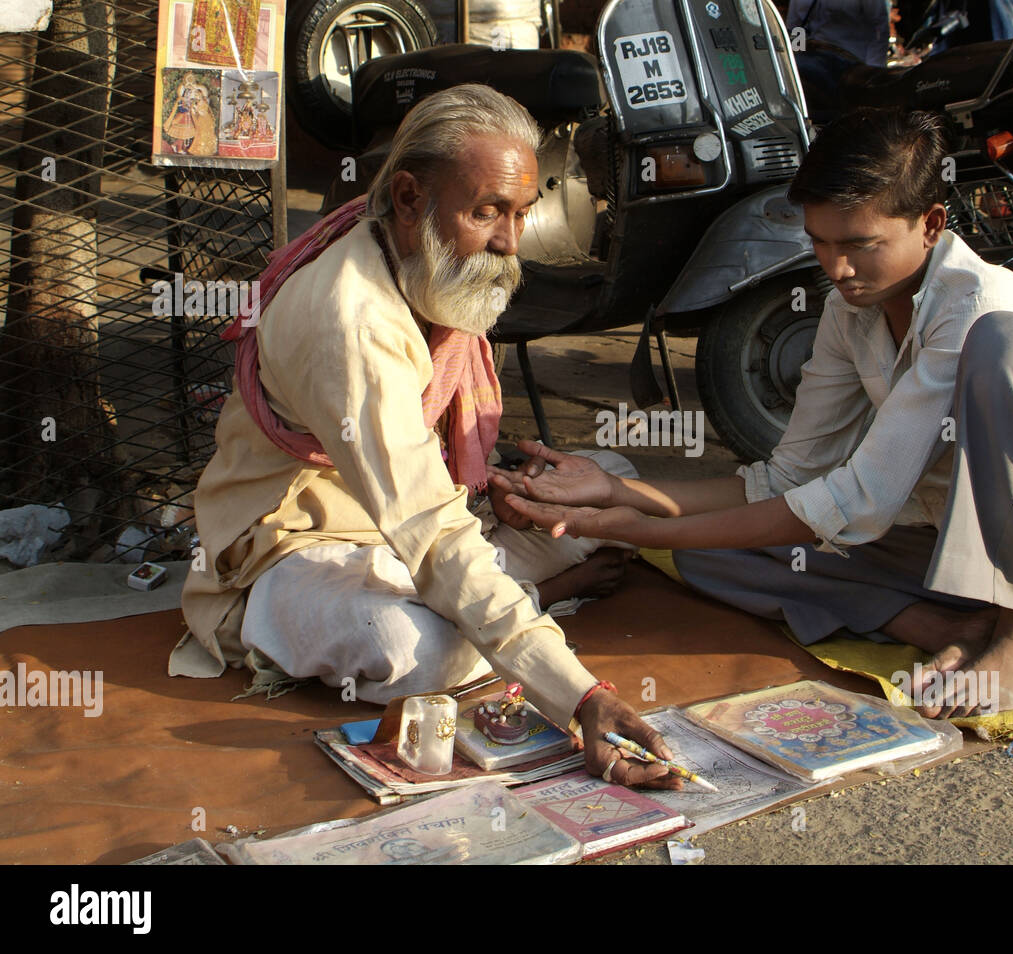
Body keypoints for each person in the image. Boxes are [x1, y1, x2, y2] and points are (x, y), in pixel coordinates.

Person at [497, 108, 1013, 719]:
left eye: (861, 243)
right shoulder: (852, 309)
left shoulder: (980, 303)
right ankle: (945, 629)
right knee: (715, 555)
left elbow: (860, 500)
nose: (838, 268)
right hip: (957, 566)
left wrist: (637, 529)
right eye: (820, 242)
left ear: (931, 224)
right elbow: (786, 479)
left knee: (1004, 348)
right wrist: (618, 492)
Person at [174, 84, 678, 790]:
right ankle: (528, 598)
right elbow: (428, 526)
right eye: (487, 213)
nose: (508, 242)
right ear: (408, 198)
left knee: (606, 479)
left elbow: (436, 478)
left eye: (520, 215)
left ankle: (506, 597)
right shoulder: (352, 320)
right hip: (300, 545)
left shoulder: (420, 254)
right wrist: (581, 696)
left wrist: (505, 486)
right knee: (422, 648)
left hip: (420, 518)